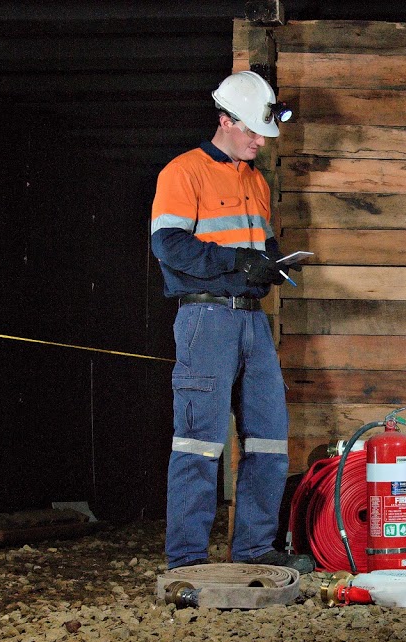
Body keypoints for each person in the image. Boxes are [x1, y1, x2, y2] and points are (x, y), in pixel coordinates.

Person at [150, 70, 313, 573]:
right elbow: (170, 246)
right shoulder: (183, 172)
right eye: (251, 132)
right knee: (199, 442)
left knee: (268, 438)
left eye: (263, 135)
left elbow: (255, 249)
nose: (259, 142)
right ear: (225, 121)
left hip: (251, 322)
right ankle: (187, 561)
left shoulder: (256, 182)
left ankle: (254, 551)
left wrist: (269, 263)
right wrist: (237, 262)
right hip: (205, 318)